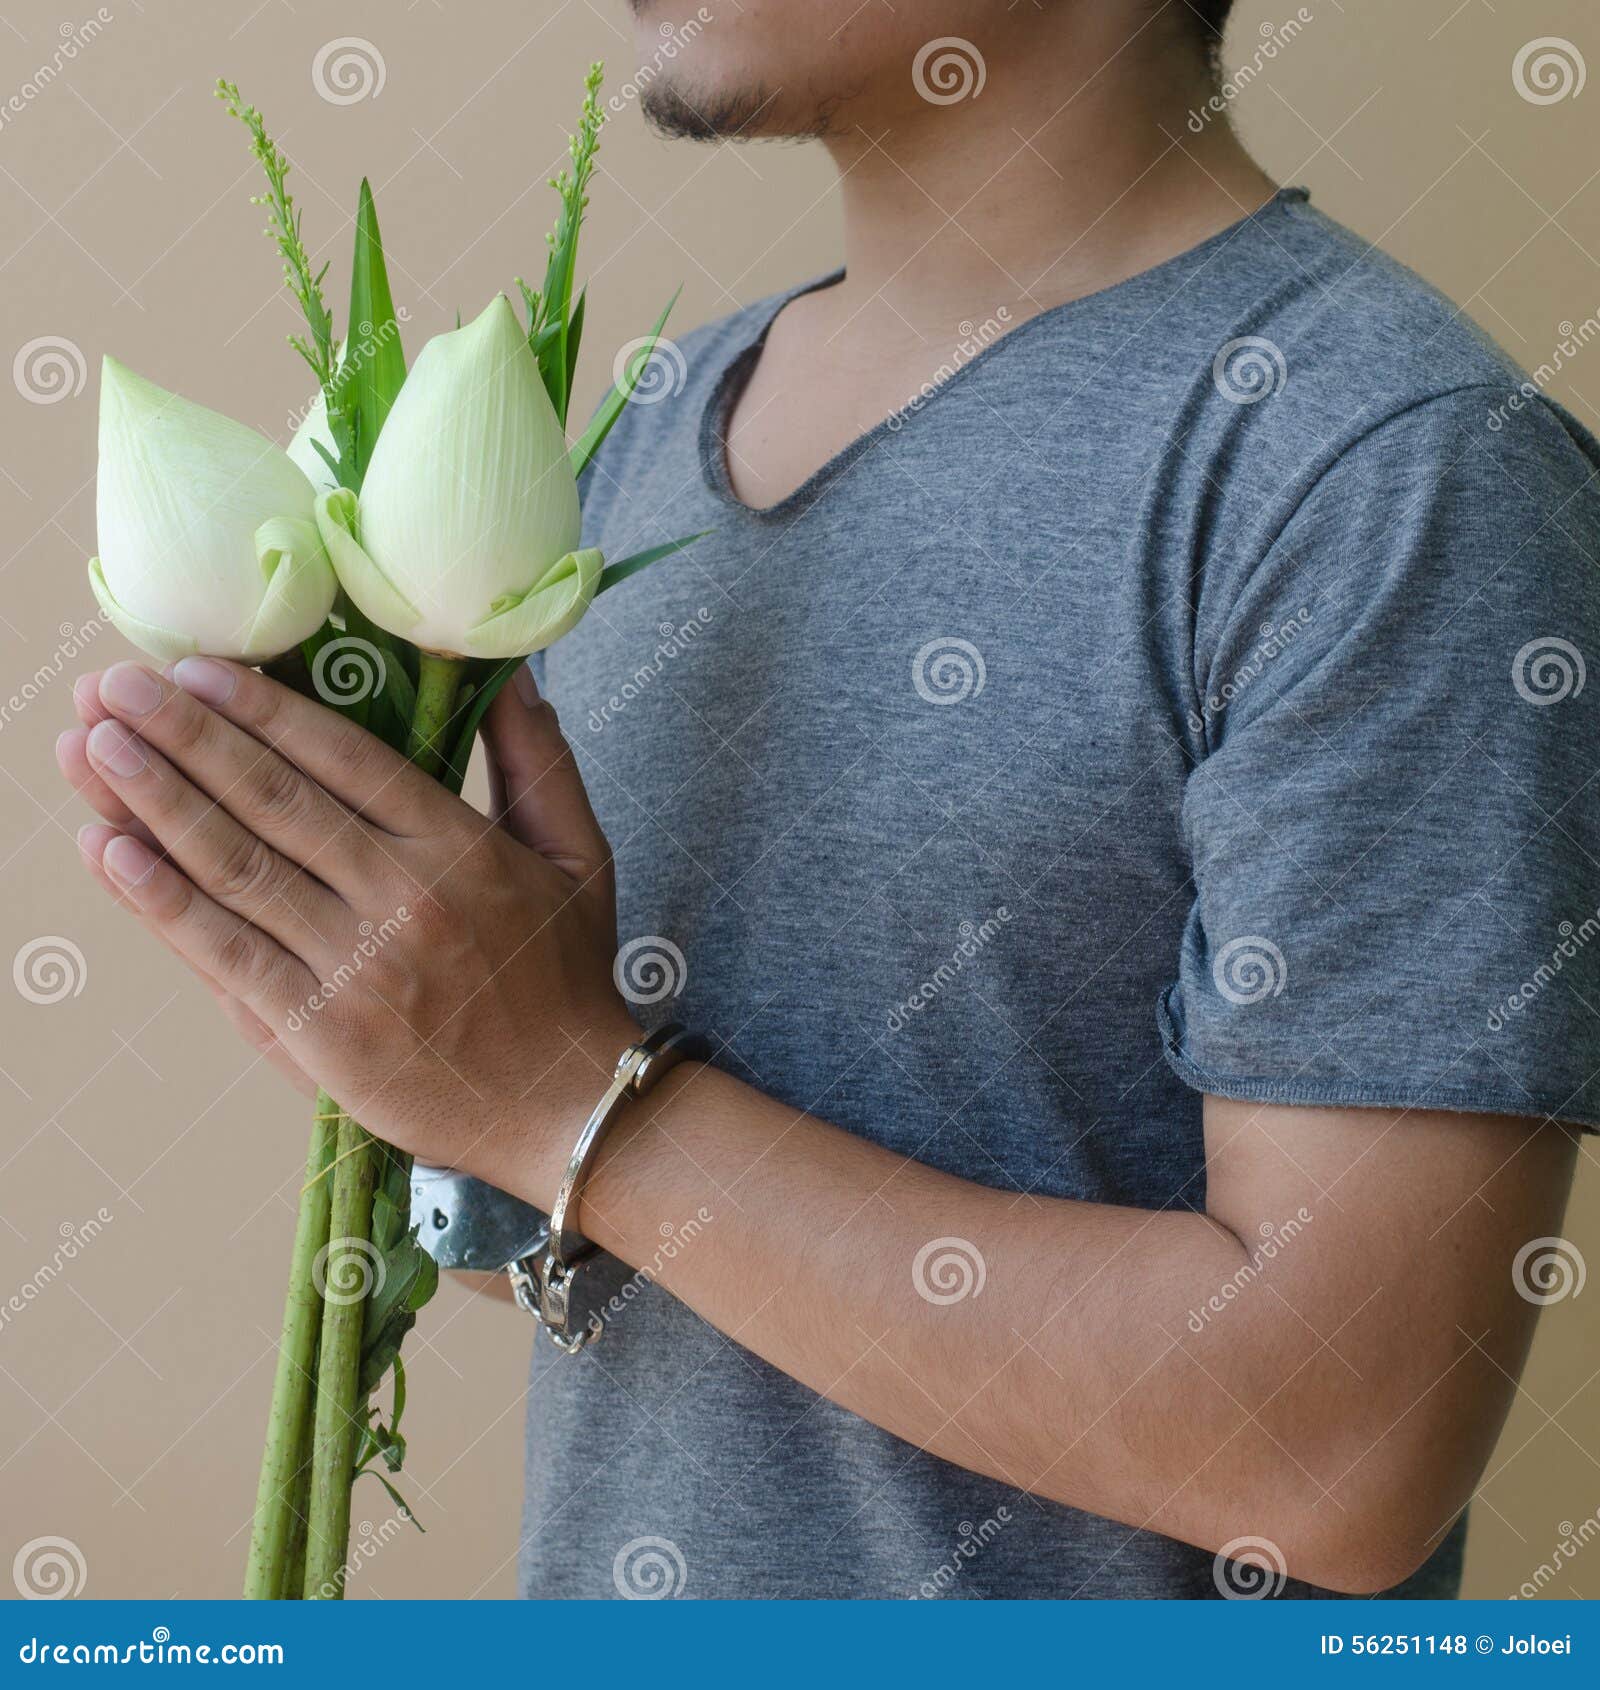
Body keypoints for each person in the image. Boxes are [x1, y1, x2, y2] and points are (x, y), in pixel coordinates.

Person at [58, 0, 1600, 1599]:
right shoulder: (638, 437)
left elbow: (1337, 1452)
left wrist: (565, 1098)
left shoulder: (1387, 474)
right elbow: (657, 1259)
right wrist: (429, 1052)